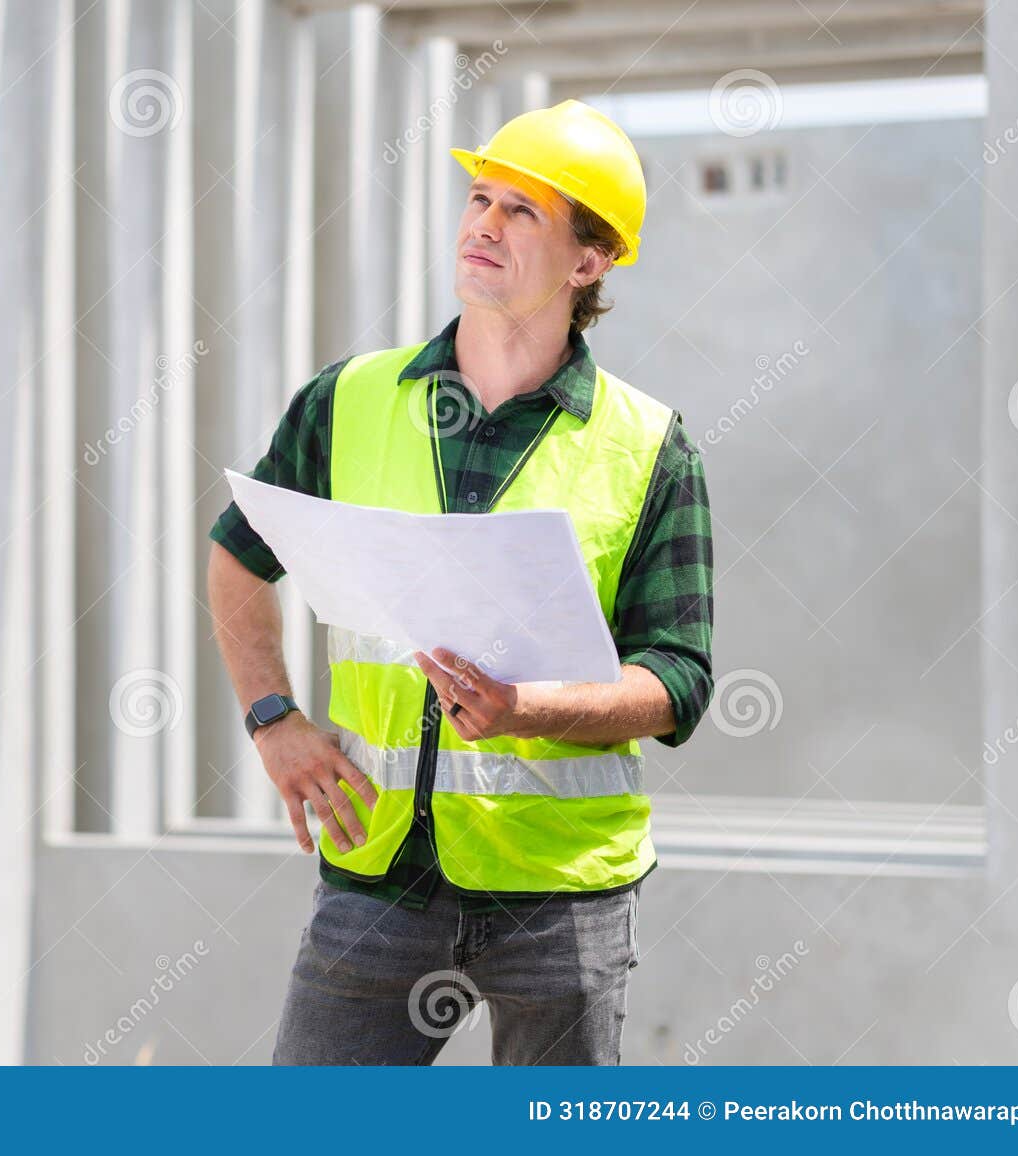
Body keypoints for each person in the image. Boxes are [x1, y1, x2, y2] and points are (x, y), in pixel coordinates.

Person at [206, 99, 714, 1065]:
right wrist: (273, 719)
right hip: (377, 880)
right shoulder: (349, 401)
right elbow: (239, 553)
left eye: (522, 211)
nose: (483, 224)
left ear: (589, 261)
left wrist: (528, 708)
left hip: (561, 897)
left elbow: (678, 680)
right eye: (480, 199)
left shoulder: (648, 447)